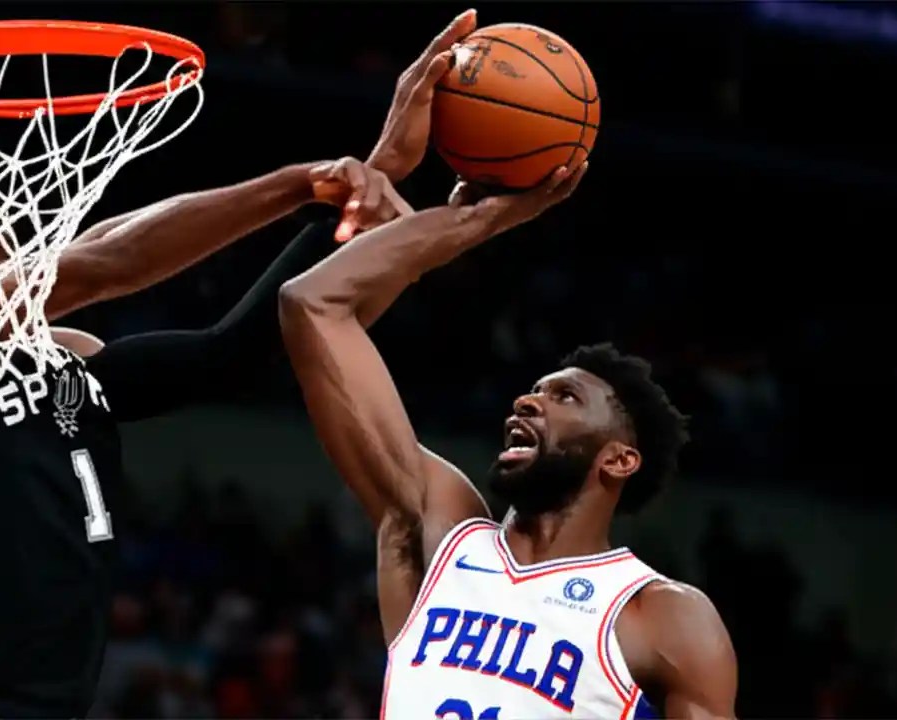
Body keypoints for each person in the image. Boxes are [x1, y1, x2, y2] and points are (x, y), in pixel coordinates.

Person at [0, 10, 485, 716]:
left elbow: (227, 356)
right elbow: (111, 261)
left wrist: (375, 176)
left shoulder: (67, 358)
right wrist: (304, 183)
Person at [278, 94, 736, 720]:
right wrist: (473, 223)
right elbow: (313, 304)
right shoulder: (437, 532)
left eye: (565, 396)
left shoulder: (658, 614)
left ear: (620, 458)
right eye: (536, 388)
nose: (528, 399)